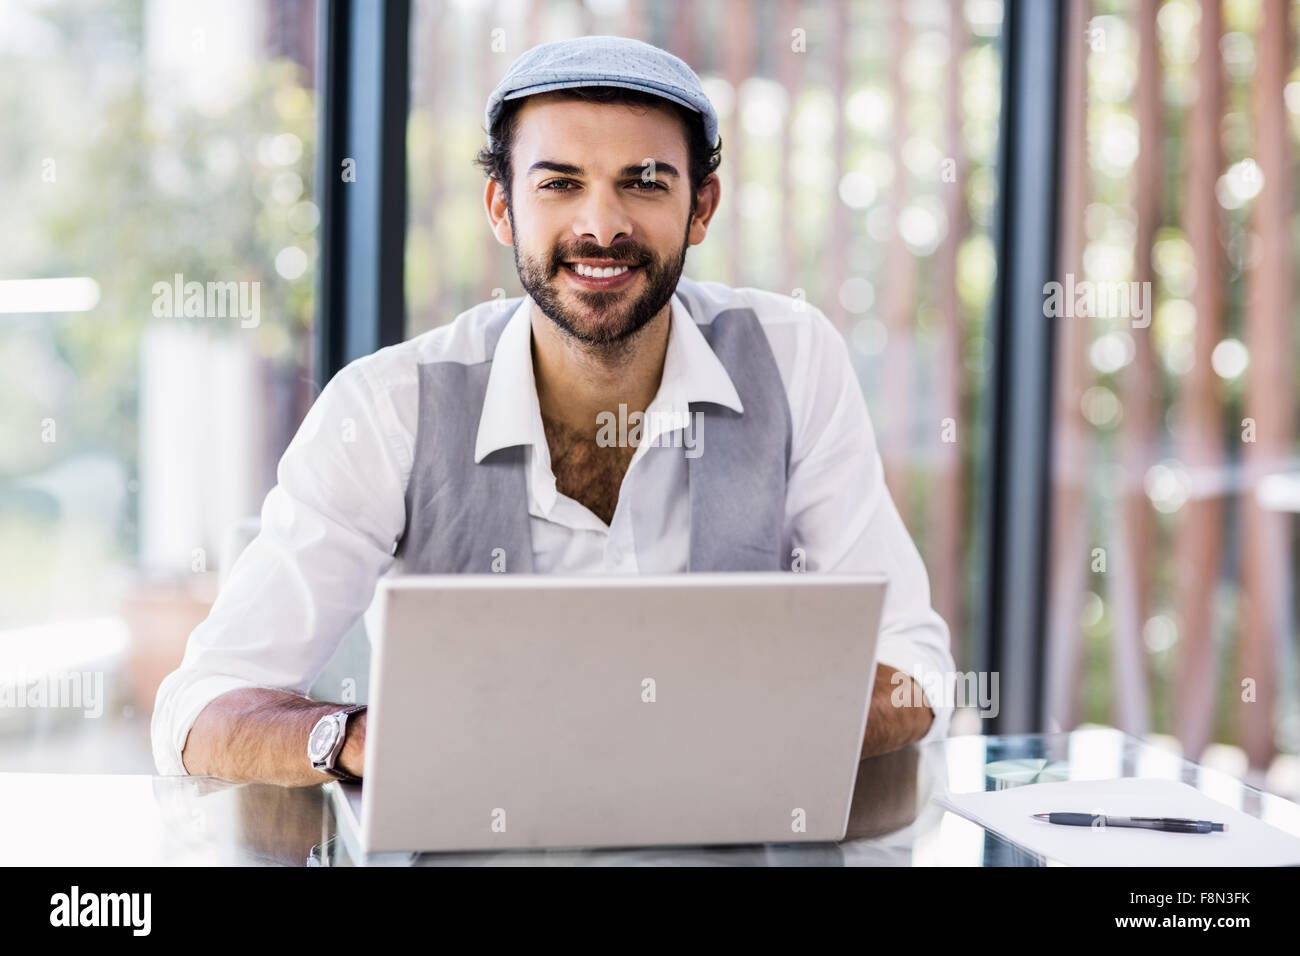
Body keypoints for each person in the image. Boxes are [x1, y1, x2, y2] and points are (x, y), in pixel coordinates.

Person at [153, 35, 954, 788]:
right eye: (559, 183)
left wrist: (719, 733)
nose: (600, 226)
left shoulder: (793, 359)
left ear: (701, 207)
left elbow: (914, 673)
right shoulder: (389, 406)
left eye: (643, 181)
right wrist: (355, 738)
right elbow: (199, 709)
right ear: (502, 207)